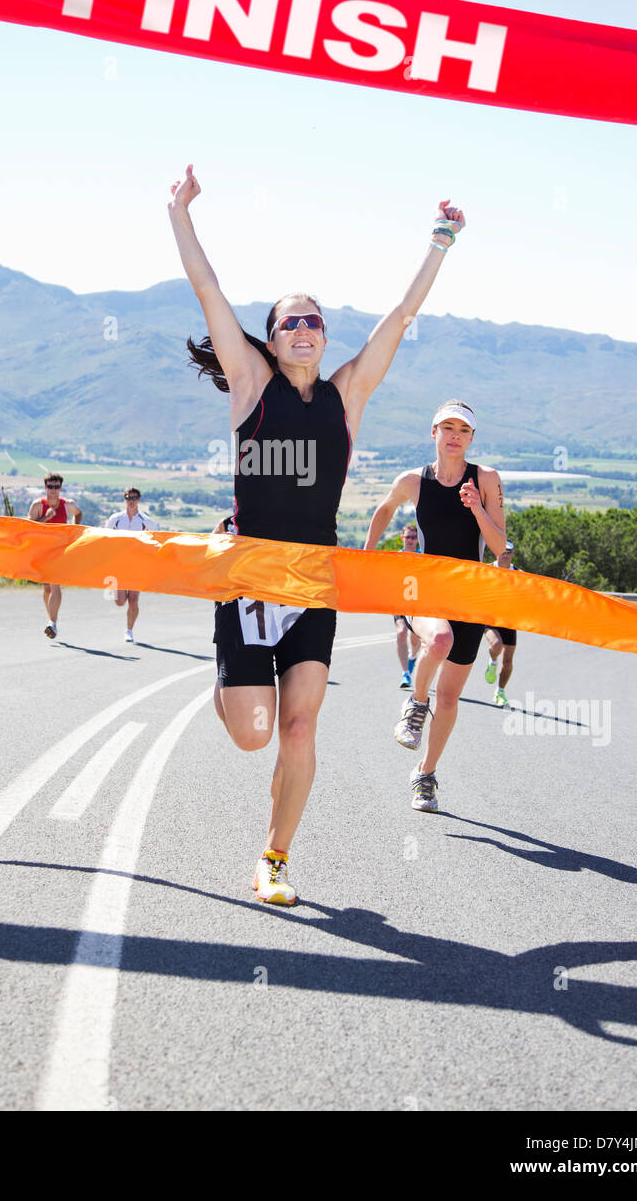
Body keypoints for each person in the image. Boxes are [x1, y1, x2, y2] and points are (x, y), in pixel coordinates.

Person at [170, 161, 464, 904]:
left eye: (315, 320)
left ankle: (274, 858)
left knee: (299, 728)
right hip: (246, 577)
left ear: (325, 337)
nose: (305, 328)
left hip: (313, 583)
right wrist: (180, 213)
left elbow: (397, 320)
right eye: (289, 322)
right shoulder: (251, 386)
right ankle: (230, 683)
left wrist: (439, 243)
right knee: (253, 733)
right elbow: (209, 291)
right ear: (269, 342)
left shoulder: (347, 396)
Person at [364, 402, 507, 813]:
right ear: (434, 432)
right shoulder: (414, 481)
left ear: (472, 438)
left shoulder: (487, 479)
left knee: (450, 698)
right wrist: (366, 556)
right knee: (439, 639)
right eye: (448, 427)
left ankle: (424, 775)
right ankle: (415, 703)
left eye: (464, 429)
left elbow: (500, 549)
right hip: (422, 588)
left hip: (471, 595)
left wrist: (478, 507)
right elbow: (385, 508)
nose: (455, 435)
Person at [28, 474, 82, 638]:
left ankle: (52, 623)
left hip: (60, 550)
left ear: (60, 488)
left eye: (56, 487)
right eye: (50, 487)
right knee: (46, 588)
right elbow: (30, 528)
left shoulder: (67, 505)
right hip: (42, 551)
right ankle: (52, 620)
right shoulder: (38, 505)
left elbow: (78, 513)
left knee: (55, 585)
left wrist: (73, 529)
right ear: (45, 488)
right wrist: (46, 517)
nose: (53, 490)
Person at [105, 488, 157, 641]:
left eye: (134, 497)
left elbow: (158, 540)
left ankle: (129, 630)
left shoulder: (146, 521)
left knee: (133, 600)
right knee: (120, 601)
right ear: (125, 499)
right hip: (119, 565)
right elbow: (105, 538)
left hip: (137, 565)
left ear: (139, 499)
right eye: (128, 497)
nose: (131, 500)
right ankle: (114, 589)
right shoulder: (115, 519)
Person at [484, 540, 518, 707]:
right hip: (489, 618)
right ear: (496, 552)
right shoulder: (487, 570)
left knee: (508, 660)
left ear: (512, 554)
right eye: (502, 551)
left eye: (508, 551)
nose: (504, 554)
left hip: (510, 620)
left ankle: (500, 692)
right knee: (496, 645)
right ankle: (492, 661)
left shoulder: (519, 574)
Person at [394, 523, 422, 688]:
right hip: (399, 603)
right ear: (402, 538)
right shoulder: (396, 558)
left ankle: (413, 657)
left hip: (418, 604)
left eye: (413, 537)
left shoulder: (423, 556)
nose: (411, 540)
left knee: (415, 640)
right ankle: (405, 673)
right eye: (408, 537)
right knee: (401, 632)